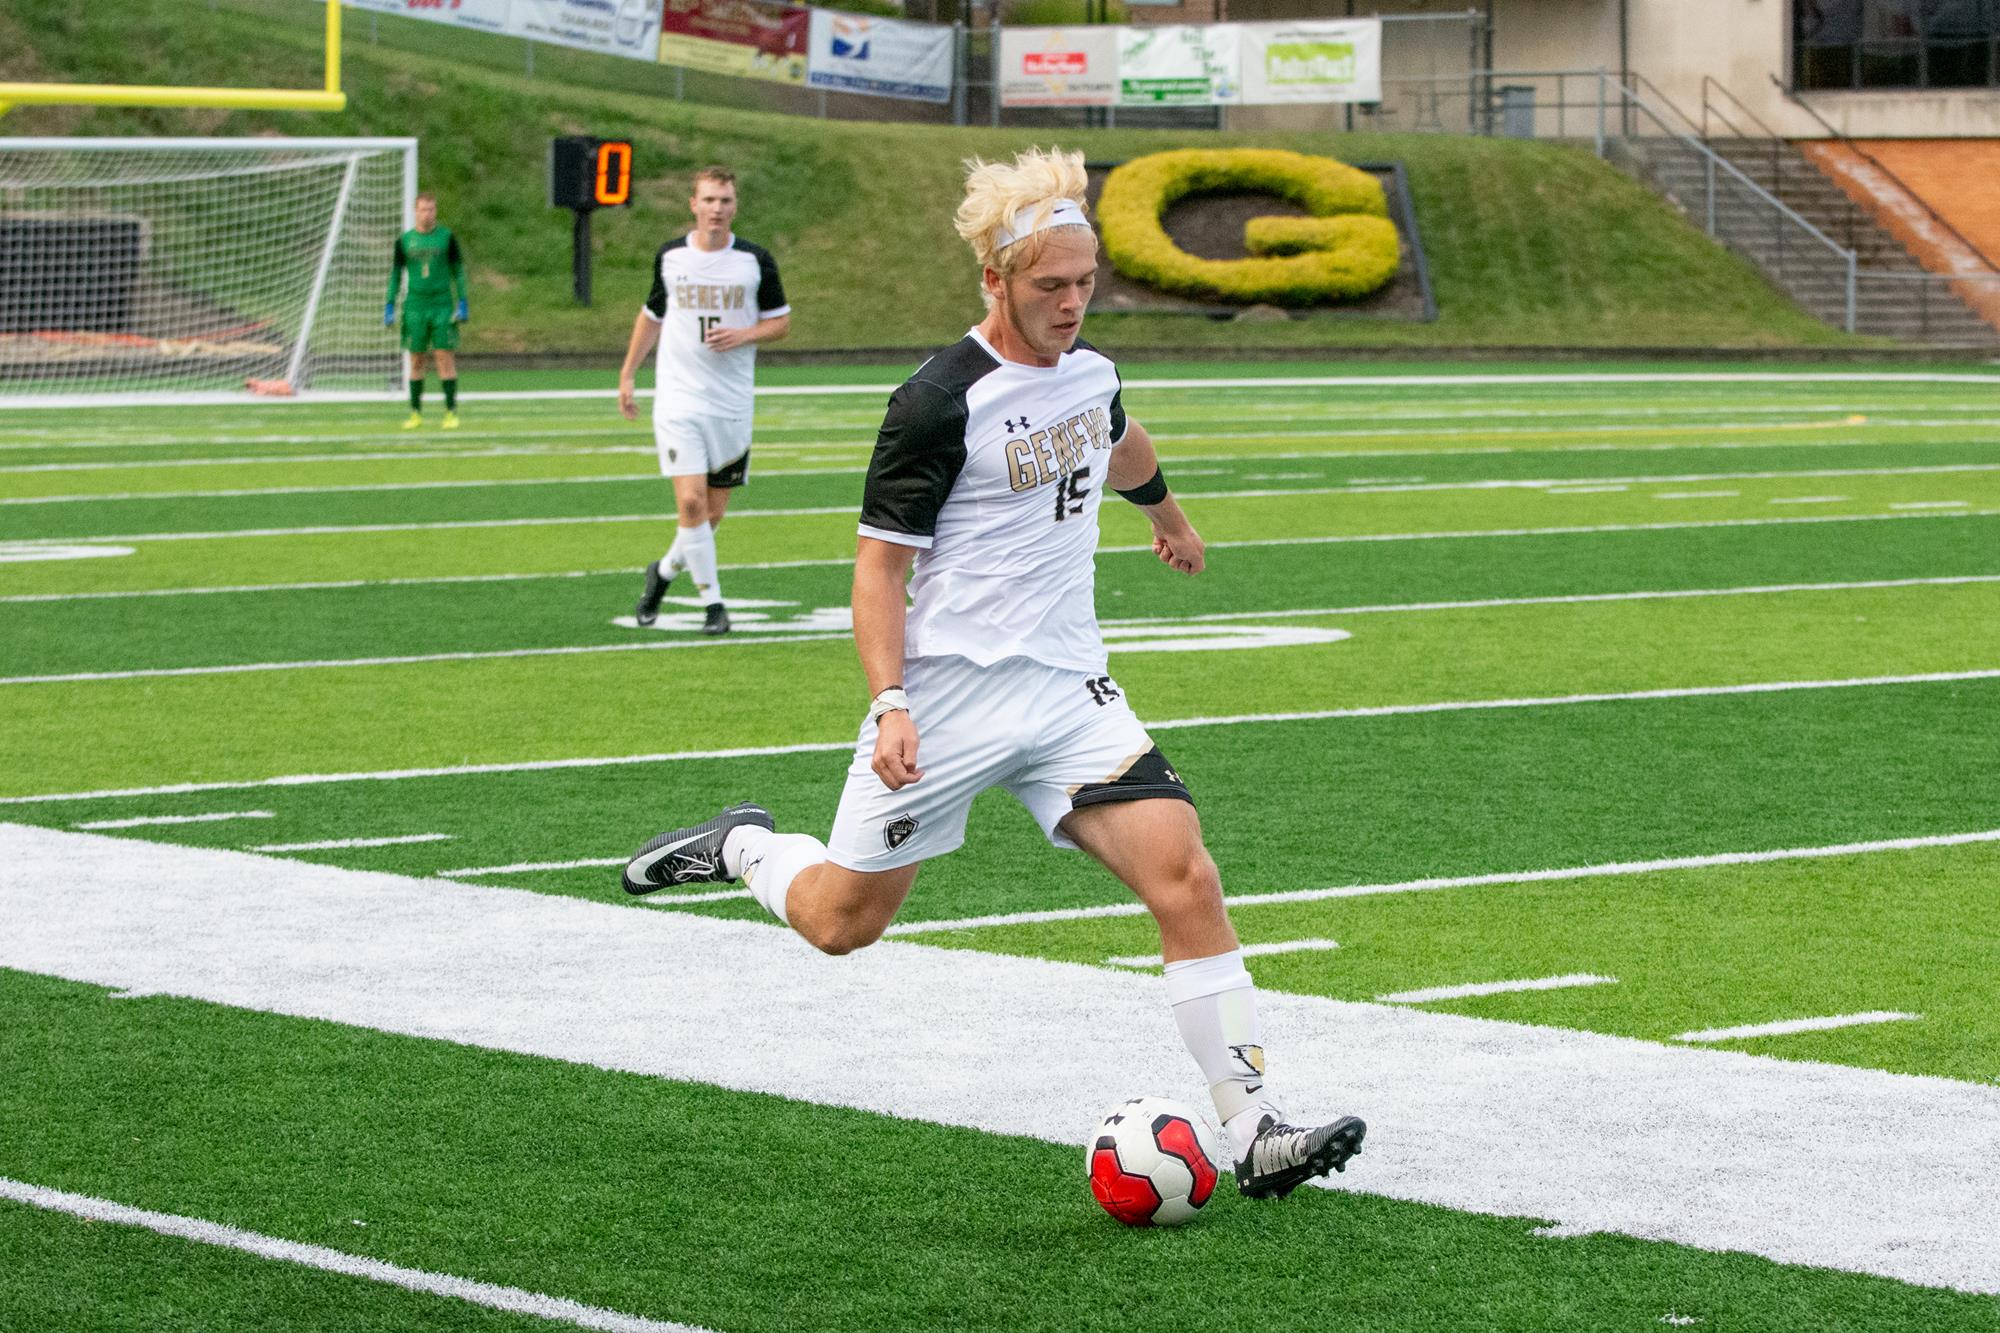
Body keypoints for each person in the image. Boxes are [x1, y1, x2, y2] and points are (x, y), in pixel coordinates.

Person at [621, 147, 1364, 1200]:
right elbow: (879, 571)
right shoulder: (934, 402)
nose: (1069, 304)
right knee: (842, 923)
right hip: (948, 700)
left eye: (1083, 284)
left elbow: (1115, 435)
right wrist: (886, 702)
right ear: (995, 281)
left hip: (1067, 691)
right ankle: (742, 845)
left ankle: (1249, 1130)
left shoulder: (1092, 371)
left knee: (1184, 875)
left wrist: (1167, 515)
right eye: (1047, 286)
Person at [618, 166, 791, 636]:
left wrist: (744, 333)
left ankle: (663, 573)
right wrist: (629, 373)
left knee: (710, 517)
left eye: (726, 201)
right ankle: (714, 606)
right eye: (709, 200)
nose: (717, 209)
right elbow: (652, 315)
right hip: (679, 399)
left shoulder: (755, 261)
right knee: (691, 505)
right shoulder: (671, 257)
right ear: (693, 204)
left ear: (735, 206)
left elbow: (780, 322)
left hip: (731, 403)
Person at [385, 192, 468, 430]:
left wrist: (463, 301)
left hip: (441, 304)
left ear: (436, 211)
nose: (427, 214)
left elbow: (458, 271)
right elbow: (395, 275)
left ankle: (451, 412)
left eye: (431, 209)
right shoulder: (405, 241)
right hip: (415, 306)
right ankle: (415, 413)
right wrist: (389, 304)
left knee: (444, 357)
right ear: (415, 211)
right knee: (416, 359)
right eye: (423, 209)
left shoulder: (447, 238)